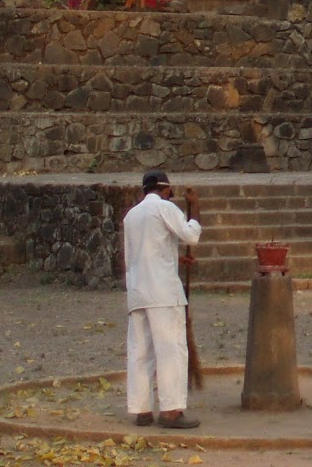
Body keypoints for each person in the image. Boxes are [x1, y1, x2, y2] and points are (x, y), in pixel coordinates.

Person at [123, 169, 203, 429]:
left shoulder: (131, 216)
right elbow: (191, 235)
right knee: (171, 351)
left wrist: (174, 258)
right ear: (165, 189)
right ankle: (170, 411)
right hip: (163, 293)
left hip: (138, 291)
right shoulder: (165, 208)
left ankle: (141, 410)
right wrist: (195, 208)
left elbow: (140, 253)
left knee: (140, 352)